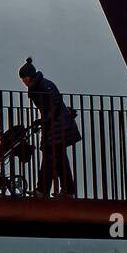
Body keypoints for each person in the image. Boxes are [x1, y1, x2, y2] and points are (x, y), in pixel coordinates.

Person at [18, 56, 80, 199]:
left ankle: (42, 191)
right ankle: (67, 191)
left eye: (23, 79)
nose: (23, 82)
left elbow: (53, 106)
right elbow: (53, 106)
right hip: (59, 127)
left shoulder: (40, 87)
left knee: (49, 160)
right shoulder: (44, 84)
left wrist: (45, 120)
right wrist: (43, 120)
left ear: (28, 77)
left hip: (56, 128)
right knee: (60, 161)